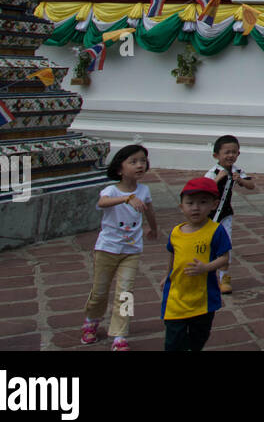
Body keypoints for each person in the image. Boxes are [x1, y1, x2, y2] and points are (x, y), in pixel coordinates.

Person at [82, 144, 158, 352]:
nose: (139, 165)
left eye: (142, 161)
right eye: (133, 162)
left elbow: (149, 209)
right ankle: (91, 320)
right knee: (99, 291)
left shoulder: (144, 190)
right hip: (107, 249)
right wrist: (126, 198)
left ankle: (120, 334)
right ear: (119, 169)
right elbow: (103, 202)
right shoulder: (111, 190)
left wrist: (153, 228)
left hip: (131, 251)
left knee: (126, 292)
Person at [161, 177, 231, 352]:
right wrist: (167, 274)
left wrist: (205, 268)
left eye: (202, 202)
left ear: (214, 205)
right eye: (190, 203)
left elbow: (224, 258)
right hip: (176, 295)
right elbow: (172, 253)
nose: (195, 207)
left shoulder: (215, 230)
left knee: (199, 336)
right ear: (181, 206)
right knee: (173, 341)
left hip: (203, 297)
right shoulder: (176, 232)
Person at [203, 135, 255, 294]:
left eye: (234, 152)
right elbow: (204, 189)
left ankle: (224, 277)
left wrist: (241, 181)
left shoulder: (237, 171)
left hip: (225, 214)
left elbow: (251, 185)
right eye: (226, 152)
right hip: (208, 215)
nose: (230, 155)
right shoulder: (213, 172)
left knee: (225, 244)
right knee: (207, 244)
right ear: (216, 155)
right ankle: (206, 274)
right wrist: (218, 178)